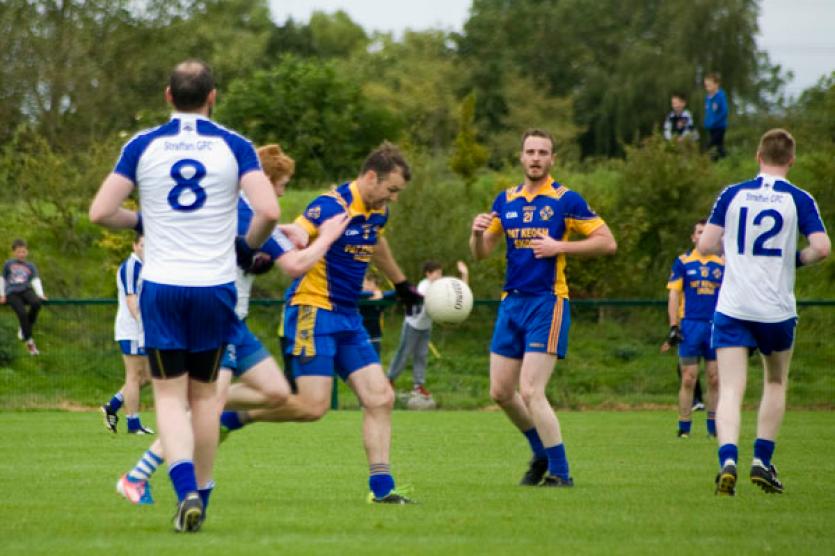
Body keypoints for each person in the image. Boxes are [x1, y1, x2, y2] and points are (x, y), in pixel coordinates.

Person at [89, 59, 279, 532]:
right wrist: (244, 247)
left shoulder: (142, 144)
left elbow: (100, 212)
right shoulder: (236, 146)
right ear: (213, 96)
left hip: (163, 288)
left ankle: (185, 491)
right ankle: (204, 496)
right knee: (207, 401)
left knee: (171, 401)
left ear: (168, 96)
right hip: (214, 289)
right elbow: (270, 211)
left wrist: (141, 221)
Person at [116, 143, 349, 506]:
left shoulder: (239, 210)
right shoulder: (246, 211)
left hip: (232, 322)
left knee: (275, 392)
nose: (284, 192)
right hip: (214, 318)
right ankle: (140, 477)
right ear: (265, 180)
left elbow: (255, 241)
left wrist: (287, 231)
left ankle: (199, 427)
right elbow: (295, 265)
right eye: (282, 184)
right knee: (207, 404)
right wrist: (329, 235)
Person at [219, 143, 423, 504]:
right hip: (312, 310)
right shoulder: (330, 205)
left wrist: (401, 283)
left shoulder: (377, 211)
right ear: (371, 177)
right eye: (391, 190)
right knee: (313, 407)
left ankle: (382, 490)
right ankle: (221, 409)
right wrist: (281, 241)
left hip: (348, 316)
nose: (393, 199)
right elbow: (294, 234)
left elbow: (376, 244)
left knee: (381, 397)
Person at [470, 129, 617, 487]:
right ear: (521, 157)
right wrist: (476, 234)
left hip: (547, 302)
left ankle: (561, 473)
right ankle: (540, 451)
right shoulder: (505, 200)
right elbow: (482, 253)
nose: (536, 158)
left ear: (552, 159)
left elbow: (607, 242)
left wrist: (559, 247)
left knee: (532, 390)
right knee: (501, 393)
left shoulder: (566, 200)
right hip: (511, 303)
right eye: (530, 152)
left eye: (543, 152)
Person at [697, 128, 830, 496]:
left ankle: (727, 460)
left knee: (731, 389)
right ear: (791, 160)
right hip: (775, 308)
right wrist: (794, 263)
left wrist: (735, 257)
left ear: (758, 156)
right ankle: (761, 459)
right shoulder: (799, 198)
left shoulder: (733, 193)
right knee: (774, 381)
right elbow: (821, 248)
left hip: (734, 305)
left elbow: (706, 244)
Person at [661, 220, 723, 438]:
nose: (703, 235)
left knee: (715, 377)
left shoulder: (723, 263)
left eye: (707, 232)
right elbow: (674, 294)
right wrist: (673, 325)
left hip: (715, 325)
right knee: (689, 377)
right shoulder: (683, 262)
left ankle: (714, 428)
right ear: (693, 237)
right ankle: (684, 428)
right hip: (690, 324)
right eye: (699, 232)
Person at [388, 260, 469, 405]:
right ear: (428, 274)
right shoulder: (424, 286)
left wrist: (464, 275)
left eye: (440, 273)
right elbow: (434, 302)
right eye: (436, 273)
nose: (439, 275)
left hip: (425, 327)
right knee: (404, 353)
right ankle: (390, 380)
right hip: (412, 325)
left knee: (421, 356)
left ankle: (418, 386)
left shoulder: (441, 285)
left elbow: (460, 293)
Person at [101, 233, 154, 435]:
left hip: (141, 328)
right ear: (134, 246)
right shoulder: (131, 267)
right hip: (132, 328)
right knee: (134, 376)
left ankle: (112, 406)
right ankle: (133, 424)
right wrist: (143, 324)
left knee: (148, 376)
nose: (146, 249)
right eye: (142, 244)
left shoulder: (147, 267)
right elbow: (132, 299)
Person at [0, 239, 47, 355]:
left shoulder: (30, 266)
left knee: (36, 303)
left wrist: (40, 294)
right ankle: (29, 342)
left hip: (26, 289)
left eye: (24, 252)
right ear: (14, 253)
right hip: (12, 292)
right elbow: (2, 279)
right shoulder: (8, 264)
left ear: (27, 252)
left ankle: (24, 327)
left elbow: (35, 280)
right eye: (19, 252)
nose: (21, 254)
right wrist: (2, 294)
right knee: (22, 313)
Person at [359, 272, 394, 357]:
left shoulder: (379, 298)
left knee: (374, 363)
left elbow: (398, 292)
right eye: (364, 283)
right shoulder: (358, 295)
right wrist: (371, 294)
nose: (366, 286)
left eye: (369, 284)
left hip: (374, 337)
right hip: (359, 337)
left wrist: (381, 294)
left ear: (376, 286)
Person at [703, 73, 728, 160]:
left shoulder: (720, 96)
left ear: (716, 84)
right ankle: (718, 160)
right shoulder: (708, 98)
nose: (707, 88)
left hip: (720, 126)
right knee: (717, 146)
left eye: (709, 85)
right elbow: (708, 112)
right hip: (711, 127)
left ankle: (725, 157)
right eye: (706, 86)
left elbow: (724, 111)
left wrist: (715, 121)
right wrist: (707, 122)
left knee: (712, 144)